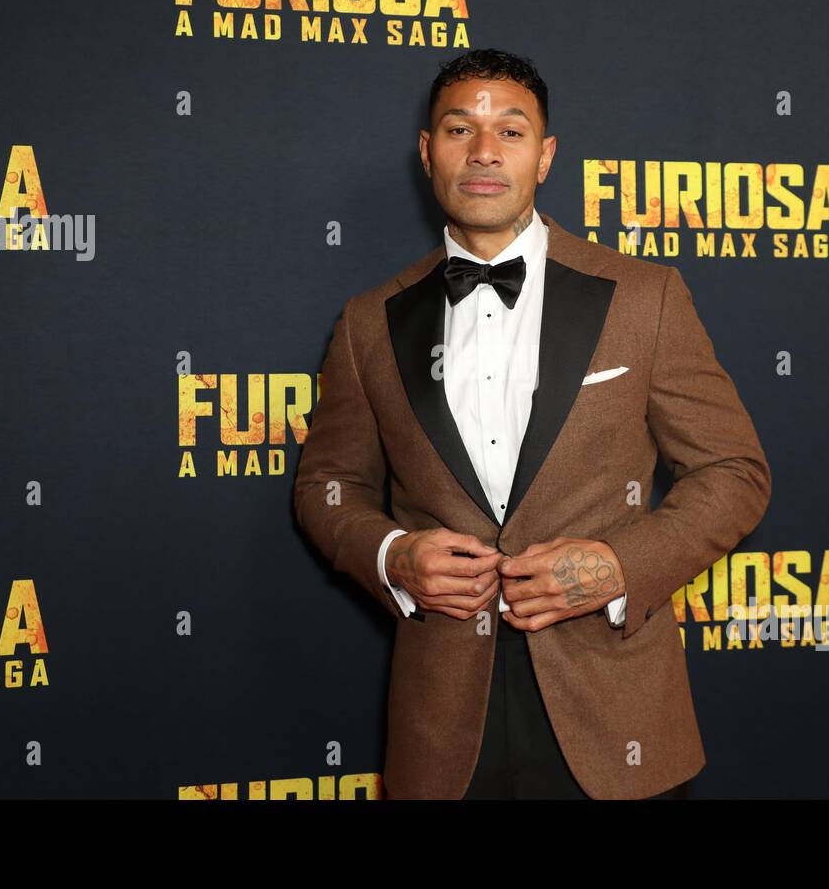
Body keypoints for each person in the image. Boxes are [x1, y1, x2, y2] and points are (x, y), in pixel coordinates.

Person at [293, 48, 772, 799]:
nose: (485, 151)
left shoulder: (644, 297)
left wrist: (621, 566)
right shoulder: (366, 324)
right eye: (460, 129)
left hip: (618, 719)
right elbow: (328, 485)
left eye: (510, 132)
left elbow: (735, 473)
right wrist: (392, 555)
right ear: (427, 153)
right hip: (442, 731)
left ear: (545, 157)